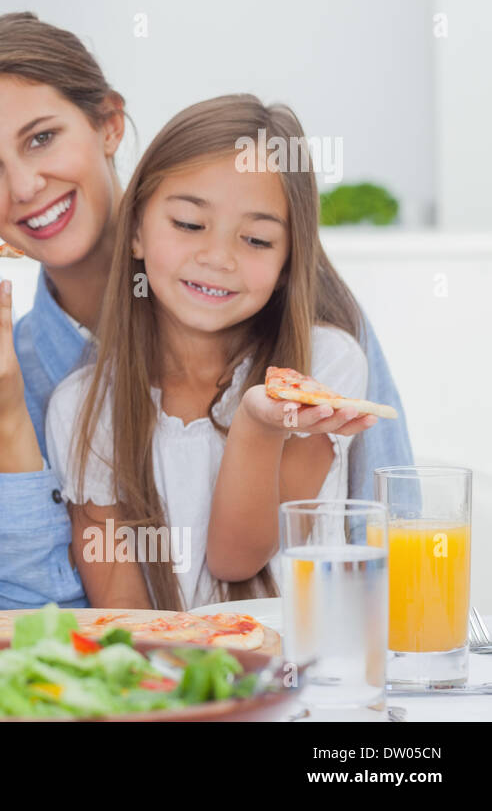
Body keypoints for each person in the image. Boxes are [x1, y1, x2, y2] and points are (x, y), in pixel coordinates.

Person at [0, 13, 413, 608]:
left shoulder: (320, 335)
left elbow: (391, 535)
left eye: (42, 137)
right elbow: (48, 625)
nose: (24, 186)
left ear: (110, 124)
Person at [50, 94, 377, 608]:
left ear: (289, 261)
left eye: (256, 240)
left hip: (299, 676)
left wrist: (259, 424)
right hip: (171, 683)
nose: (218, 258)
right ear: (135, 230)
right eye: (188, 224)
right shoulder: (82, 407)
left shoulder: (324, 365)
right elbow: (125, 622)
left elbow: (236, 558)